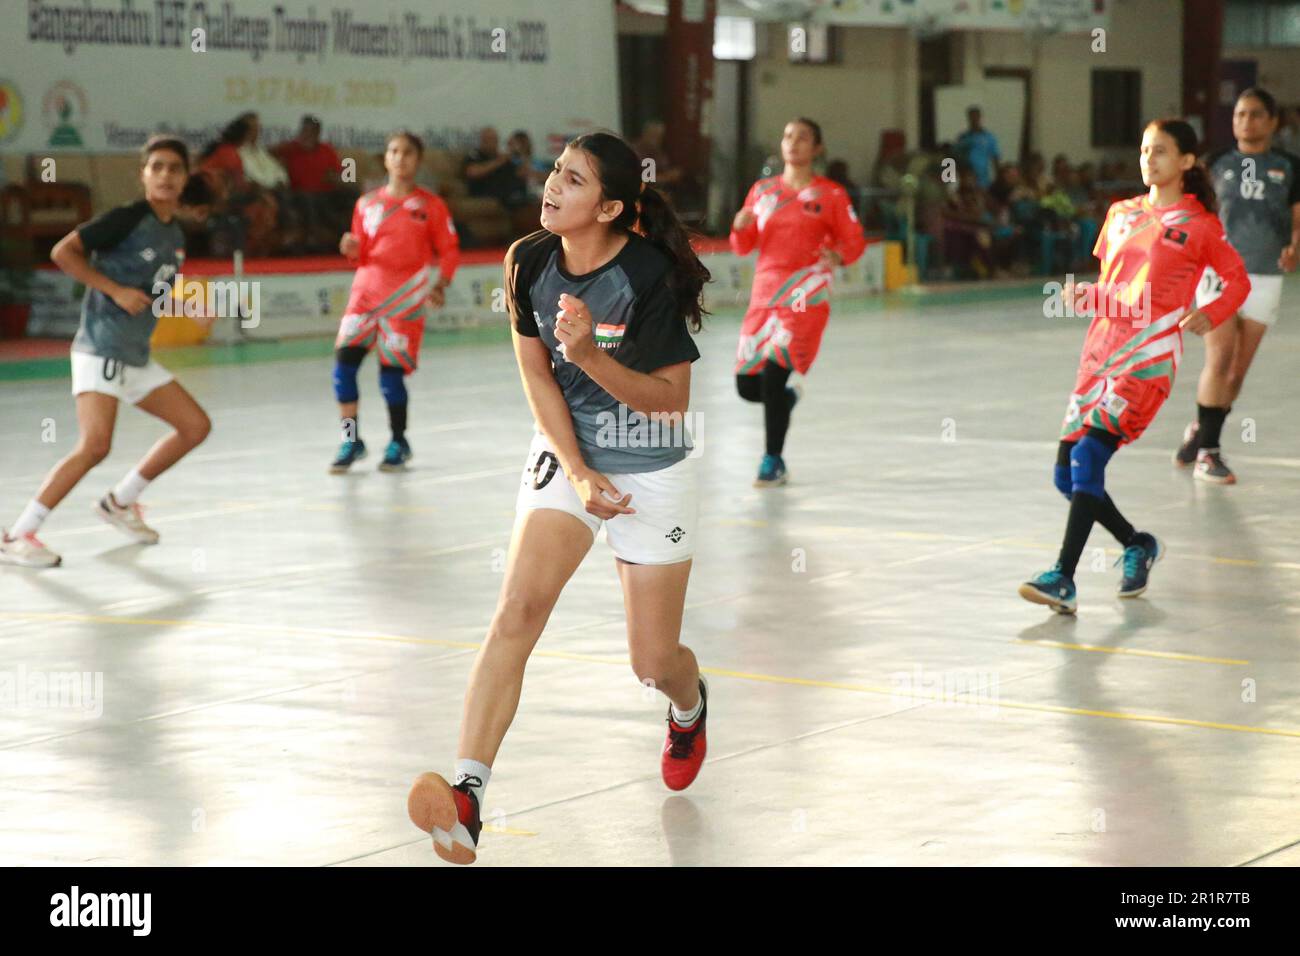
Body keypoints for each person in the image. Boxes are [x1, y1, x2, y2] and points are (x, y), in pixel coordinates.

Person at [406, 131, 711, 865]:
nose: (552, 185)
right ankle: (468, 797)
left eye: (573, 180)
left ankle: (689, 705)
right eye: (555, 171)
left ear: (608, 207)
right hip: (568, 451)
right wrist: (575, 471)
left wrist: (590, 356)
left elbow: (672, 403)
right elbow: (536, 379)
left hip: (653, 460)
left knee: (652, 658)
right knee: (516, 610)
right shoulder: (527, 261)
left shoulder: (647, 276)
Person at [1019, 119, 1249, 614]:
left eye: (1161, 151)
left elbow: (1237, 281)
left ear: (1187, 161)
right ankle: (1136, 543)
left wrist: (1211, 312)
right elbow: (1114, 283)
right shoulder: (1120, 213)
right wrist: (1088, 296)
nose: (1150, 159)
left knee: (1085, 463)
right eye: (1145, 150)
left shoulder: (1200, 226)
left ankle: (1063, 576)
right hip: (1099, 354)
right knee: (1066, 476)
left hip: (1146, 361)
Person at [1, 136, 214, 568]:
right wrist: (114, 290)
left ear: (185, 176)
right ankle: (17, 534)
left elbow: (149, 293)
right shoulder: (126, 218)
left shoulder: (174, 232)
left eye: (174, 168)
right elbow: (64, 251)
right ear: (144, 174)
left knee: (194, 426)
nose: (166, 176)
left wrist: (183, 306)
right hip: (101, 347)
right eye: (157, 167)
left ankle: (120, 502)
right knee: (95, 445)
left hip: (134, 355)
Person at [729, 117, 866, 486]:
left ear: (817, 148)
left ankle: (772, 461)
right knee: (746, 385)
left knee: (774, 373)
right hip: (764, 295)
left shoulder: (831, 195)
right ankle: (785, 401)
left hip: (806, 293)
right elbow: (742, 246)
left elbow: (854, 240)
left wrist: (837, 256)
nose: (793, 143)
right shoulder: (762, 191)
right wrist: (740, 226)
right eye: (788, 135)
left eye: (803, 138)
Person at [1173, 87, 1300, 483]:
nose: (1247, 121)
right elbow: (1191, 214)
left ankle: (1201, 429)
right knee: (1220, 357)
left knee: (1236, 375)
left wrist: (1295, 248)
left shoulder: (1289, 166)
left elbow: (1297, 219)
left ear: (1273, 121)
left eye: (1257, 114)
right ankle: (1209, 455)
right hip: (1219, 273)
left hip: (1265, 274)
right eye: (1240, 114)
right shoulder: (1215, 163)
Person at [330, 130, 460, 473]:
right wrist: (351, 251)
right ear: (385, 158)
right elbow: (361, 255)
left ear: (417, 160)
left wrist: (441, 284)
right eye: (393, 151)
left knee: (390, 376)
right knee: (343, 369)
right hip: (364, 294)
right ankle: (350, 439)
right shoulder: (366, 204)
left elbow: (448, 248)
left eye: (407, 152)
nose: (400, 158)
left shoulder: (431, 206)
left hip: (405, 298)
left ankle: (398, 440)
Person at [956, 106, 1001, 190]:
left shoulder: (989, 137)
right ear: (968, 118)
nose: (974, 119)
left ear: (980, 117)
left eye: (976, 116)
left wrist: (999, 179)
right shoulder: (962, 137)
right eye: (971, 117)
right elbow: (955, 158)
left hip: (983, 180)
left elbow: (995, 158)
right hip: (965, 180)